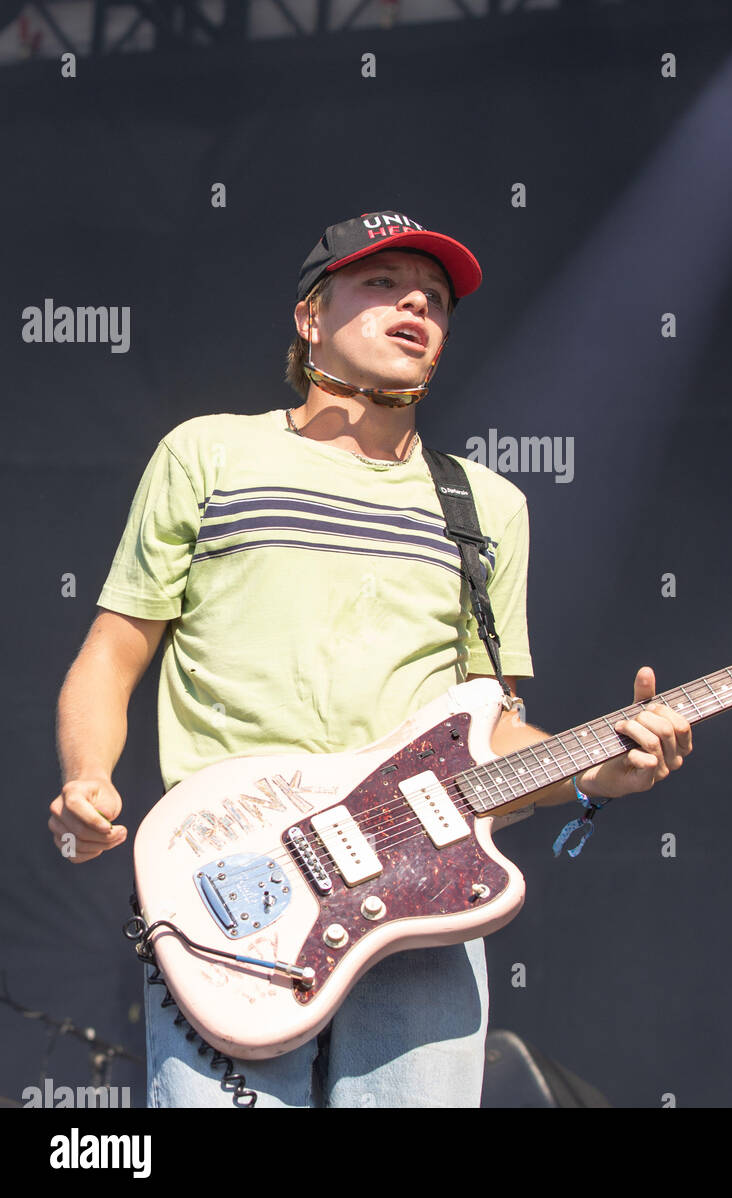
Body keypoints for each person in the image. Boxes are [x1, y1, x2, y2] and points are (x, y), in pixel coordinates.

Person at [48, 210, 692, 1108]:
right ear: (310, 318)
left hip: (423, 897)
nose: (415, 306)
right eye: (381, 284)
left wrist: (594, 771)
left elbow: (487, 730)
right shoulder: (208, 453)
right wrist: (88, 778)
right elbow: (114, 653)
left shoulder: (487, 506)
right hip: (239, 880)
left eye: (433, 299)